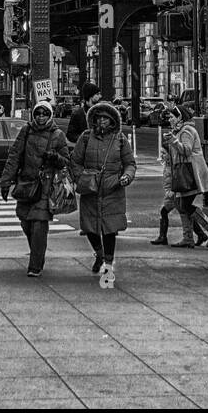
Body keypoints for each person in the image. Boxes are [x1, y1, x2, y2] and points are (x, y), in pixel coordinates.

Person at [70, 100, 136, 288]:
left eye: (106, 119)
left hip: (112, 190)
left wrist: (126, 177)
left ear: (113, 121)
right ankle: (98, 252)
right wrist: (80, 178)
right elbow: (75, 161)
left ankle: (108, 265)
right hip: (90, 190)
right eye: (99, 119)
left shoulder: (120, 139)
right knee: (90, 227)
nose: (102, 122)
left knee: (109, 230)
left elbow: (130, 163)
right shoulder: (85, 137)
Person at [0, 102, 70, 278]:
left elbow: (66, 161)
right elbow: (14, 156)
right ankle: (38, 254)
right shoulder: (26, 131)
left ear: (50, 115)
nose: (40, 117)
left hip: (45, 186)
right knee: (26, 222)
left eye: (44, 114)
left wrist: (55, 158)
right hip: (26, 185)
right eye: (38, 114)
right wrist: (6, 181)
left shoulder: (57, 135)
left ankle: (35, 264)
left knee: (39, 225)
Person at [165, 105, 208, 248]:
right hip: (186, 172)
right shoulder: (180, 130)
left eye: (171, 117)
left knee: (185, 204)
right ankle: (189, 237)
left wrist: (173, 141)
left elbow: (187, 150)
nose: (169, 120)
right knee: (181, 205)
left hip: (191, 173)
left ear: (179, 117)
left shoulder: (186, 130)